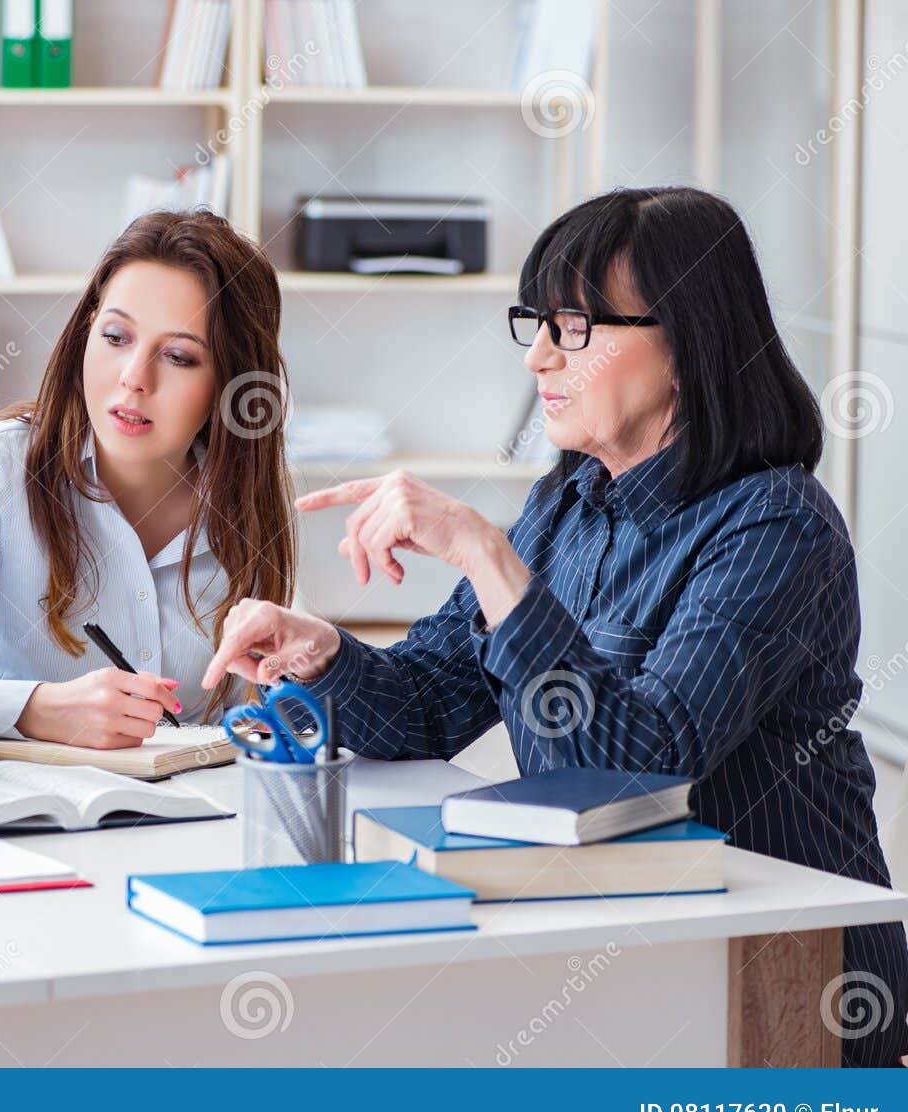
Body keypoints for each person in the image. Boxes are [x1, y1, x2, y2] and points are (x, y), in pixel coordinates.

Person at [202, 186, 908, 1067]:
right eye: (537, 322)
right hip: (630, 953)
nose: (538, 357)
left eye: (573, 326)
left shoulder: (776, 525)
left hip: (787, 985)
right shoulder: (568, 503)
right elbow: (431, 703)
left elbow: (628, 777)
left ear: (687, 344)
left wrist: (487, 557)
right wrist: (329, 655)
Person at [0, 209, 295, 747]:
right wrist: (31, 709)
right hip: (7, 818)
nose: (133, 378)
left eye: (178, 356)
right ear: (87, 332)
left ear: (234, 379)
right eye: (115, 336)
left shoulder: (247, 505)